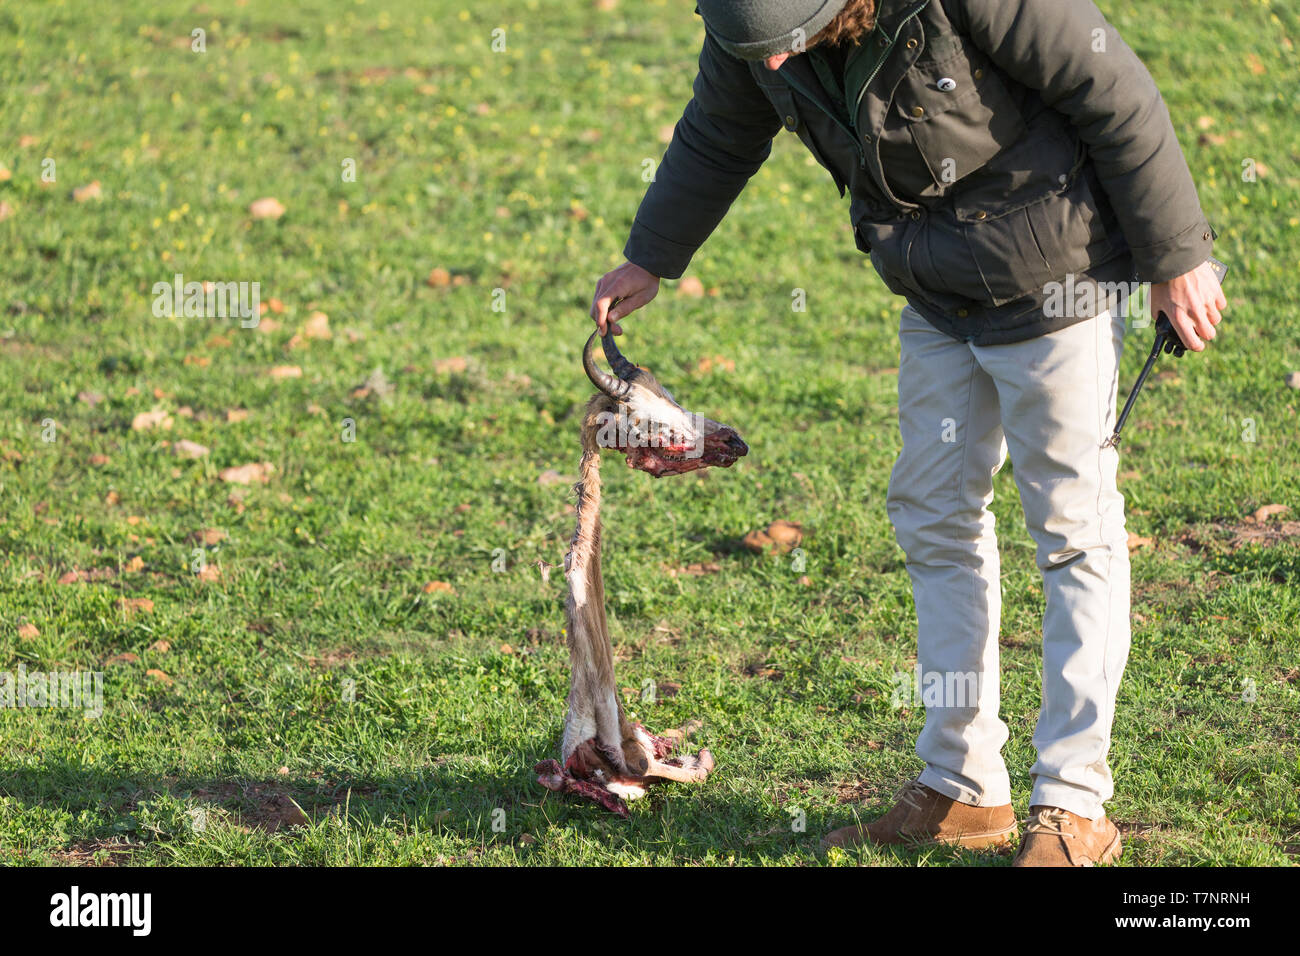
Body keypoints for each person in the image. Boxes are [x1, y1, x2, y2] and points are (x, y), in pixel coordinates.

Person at [589, 0, 1226, 866]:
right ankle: (963, 786)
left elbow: (1112, 86)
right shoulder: (751, 24)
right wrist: (652, 254)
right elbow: (717, 131)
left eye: (786, 47)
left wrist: (1176, 255)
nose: (771, 67)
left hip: (1060, 285)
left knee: (1073, 532)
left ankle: (1073, 805)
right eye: (755, 52)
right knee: (932, 515)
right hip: (935, 296)